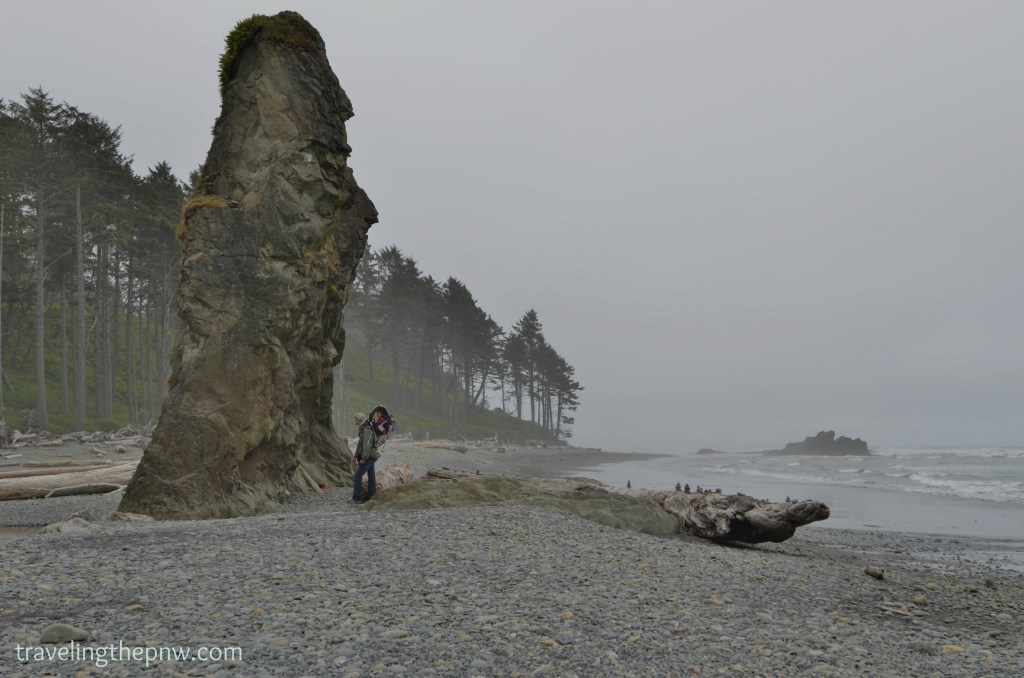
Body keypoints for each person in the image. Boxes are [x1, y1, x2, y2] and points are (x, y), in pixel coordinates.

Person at [351, 409, 389, 502]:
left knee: (357, 475)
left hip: (369, 456)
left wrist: (363, 458)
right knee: (371, 475)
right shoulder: (365, 428)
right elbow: (360, 444)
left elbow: (367, 445)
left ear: (359, 420)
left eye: (355, 419)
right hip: (372, 455)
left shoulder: (367, 429)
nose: (355, 421)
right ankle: (372, 496)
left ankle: (357, 497)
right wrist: (355, 456)